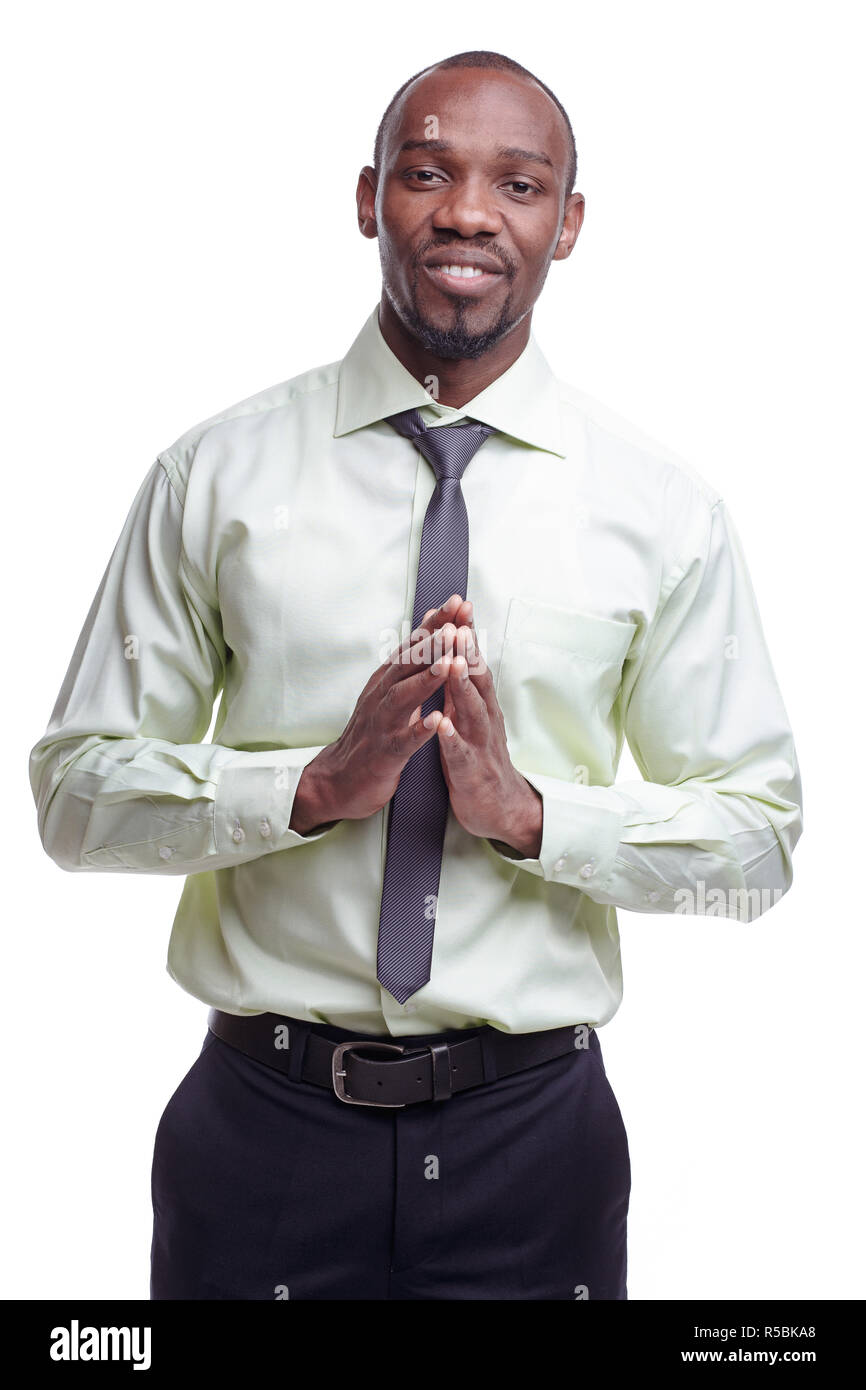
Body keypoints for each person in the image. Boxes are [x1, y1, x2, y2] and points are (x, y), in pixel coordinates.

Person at [28, 49, 803, 1302]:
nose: (466, 212)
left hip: (530, 1147)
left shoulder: (660, 511)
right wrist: (312, 787)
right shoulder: (210, 477)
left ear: (568, 224)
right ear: (365, 195)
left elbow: (758, 840)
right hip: (261, 1136)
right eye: (426, 172)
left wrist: (532, 816)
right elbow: (74, 799)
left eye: (519, 183)